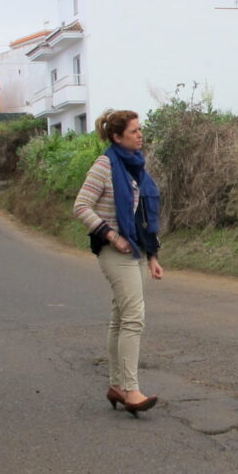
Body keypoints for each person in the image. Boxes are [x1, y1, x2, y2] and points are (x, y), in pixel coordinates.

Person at [74, 109, 163, 418]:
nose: (140, 135)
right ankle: (130, 389)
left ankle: (116, 385)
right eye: (134, 131)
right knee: (133, 318)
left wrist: (152, 255)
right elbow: (81, 206)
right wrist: (112, 236)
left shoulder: (135, 166)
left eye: (140, 130)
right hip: (115, 251)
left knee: (120, 316)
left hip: (136, 249)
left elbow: (142, 216)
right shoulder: (104, 165)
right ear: (116, 137)